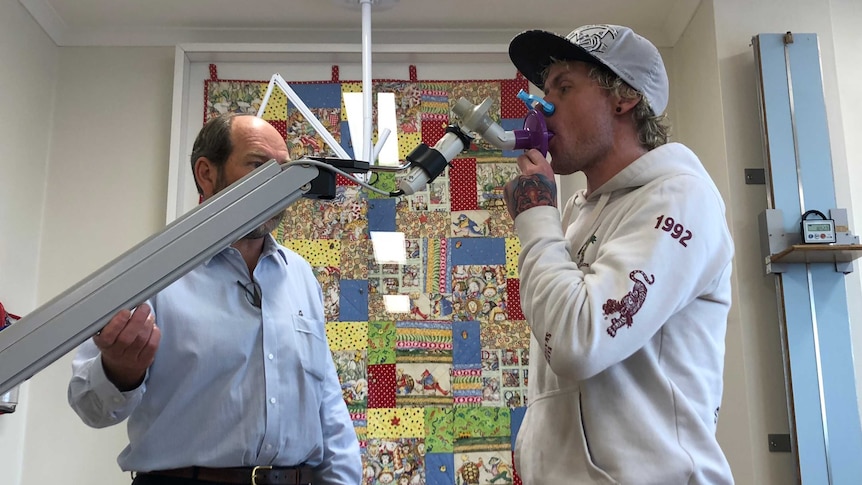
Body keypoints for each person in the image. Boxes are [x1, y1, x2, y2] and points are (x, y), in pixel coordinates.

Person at [68, 113, 362, 485]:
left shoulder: (301, 276)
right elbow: (90, 407)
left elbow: (327, 405)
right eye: (258, 165)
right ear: (206, 173)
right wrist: (121, 373)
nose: (280, 185)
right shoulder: (148, 274)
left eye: (285, 171)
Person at [504, 24, 734, 484]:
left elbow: (577, 343)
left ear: (623, 96)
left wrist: (535, 217)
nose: (542, 108)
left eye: (564, 88)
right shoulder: (577, 215)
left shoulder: (681, 198)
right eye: (543, 91)